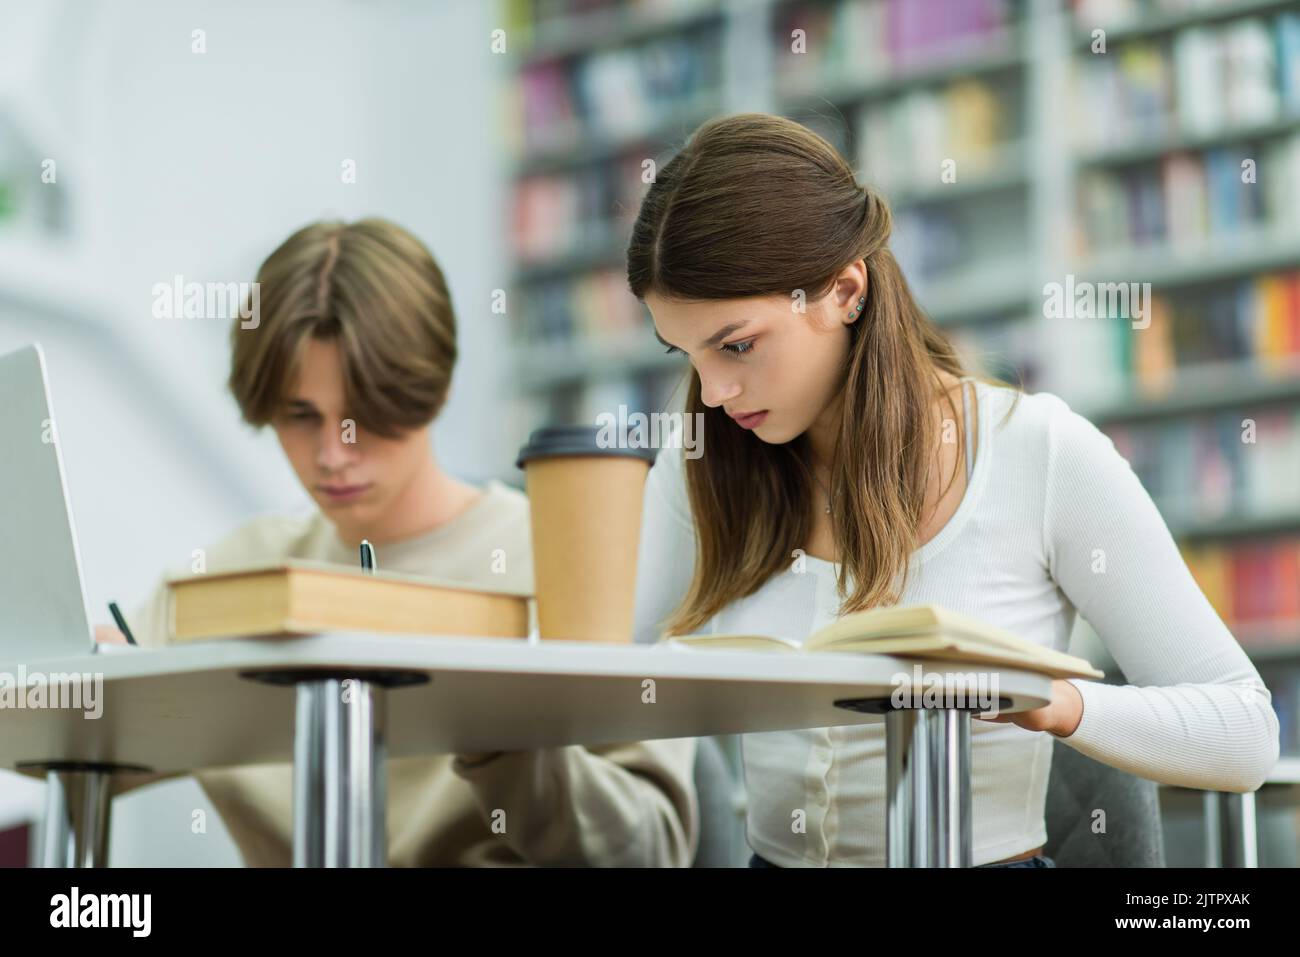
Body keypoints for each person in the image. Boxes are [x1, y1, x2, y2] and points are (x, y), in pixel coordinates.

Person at [626, 113, 1279, 868]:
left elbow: (1244, 731)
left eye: (737, 344)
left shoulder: (1037, 451)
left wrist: (1054, 702)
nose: (712, 393)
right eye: (686, 353)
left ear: (845, 289)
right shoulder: (703, 460)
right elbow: (614, 681)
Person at [97, 218, 698, 867]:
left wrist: (504, 742)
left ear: (431, 388)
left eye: (367, 413)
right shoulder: (237, 575)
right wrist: (76, 681)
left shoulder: (573, 565)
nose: (333, 454)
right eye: (300, 416)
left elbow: (650, 850)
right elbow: (72, 758)